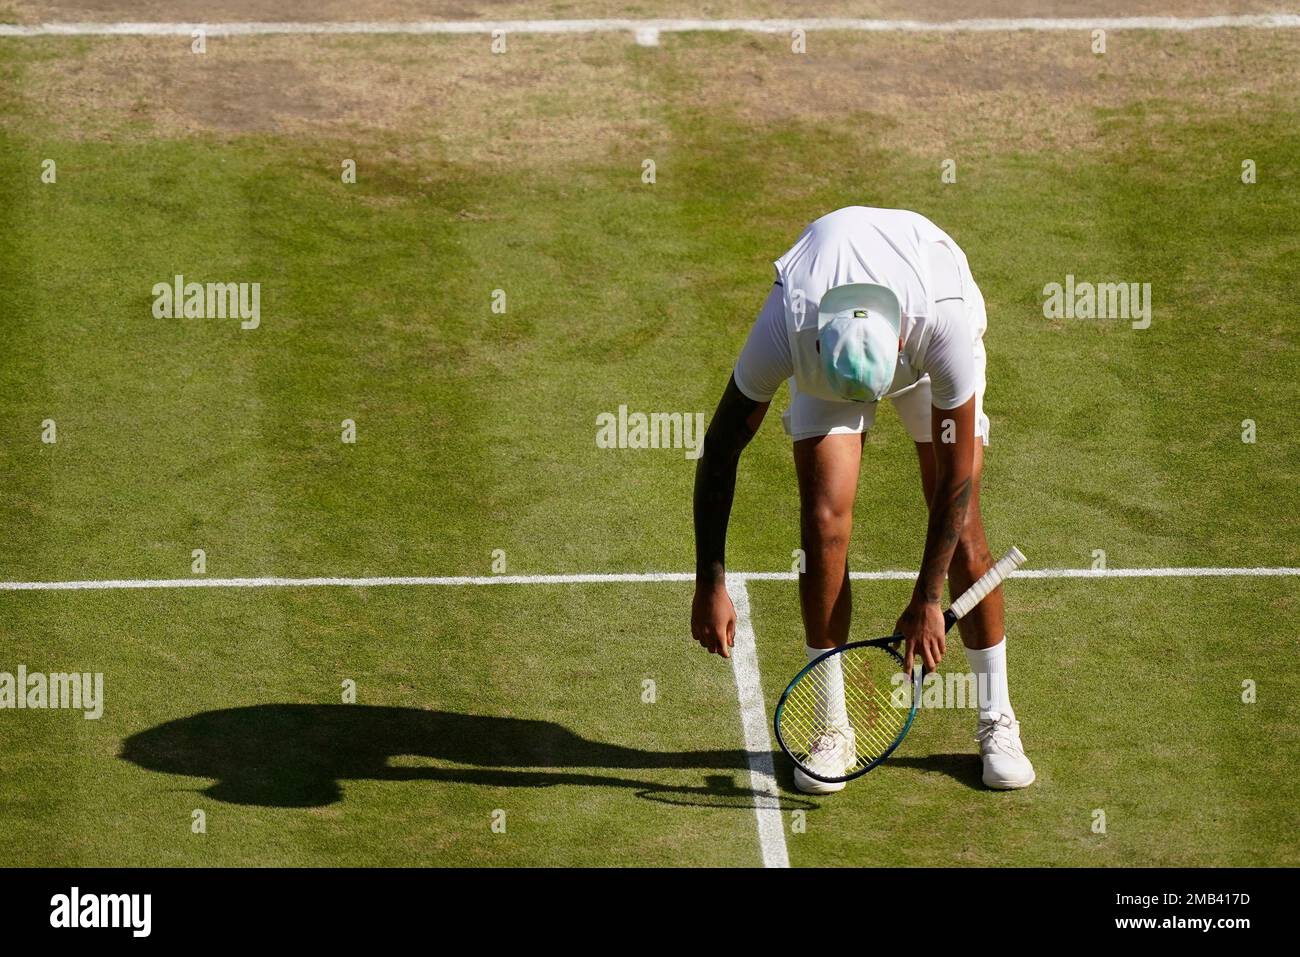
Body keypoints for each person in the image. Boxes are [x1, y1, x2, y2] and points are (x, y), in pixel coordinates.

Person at [689, 206, 1034, 794]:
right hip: (831, 366)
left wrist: (929, 597)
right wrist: (709, 583)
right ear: (818, 343)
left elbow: (956, 479)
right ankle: (831, 724)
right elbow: (720, 449)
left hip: (926, 348)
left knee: (965, 525)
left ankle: (997, 717)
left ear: (900, 339)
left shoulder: (942, 324)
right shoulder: (789, 324)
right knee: (824, 522)